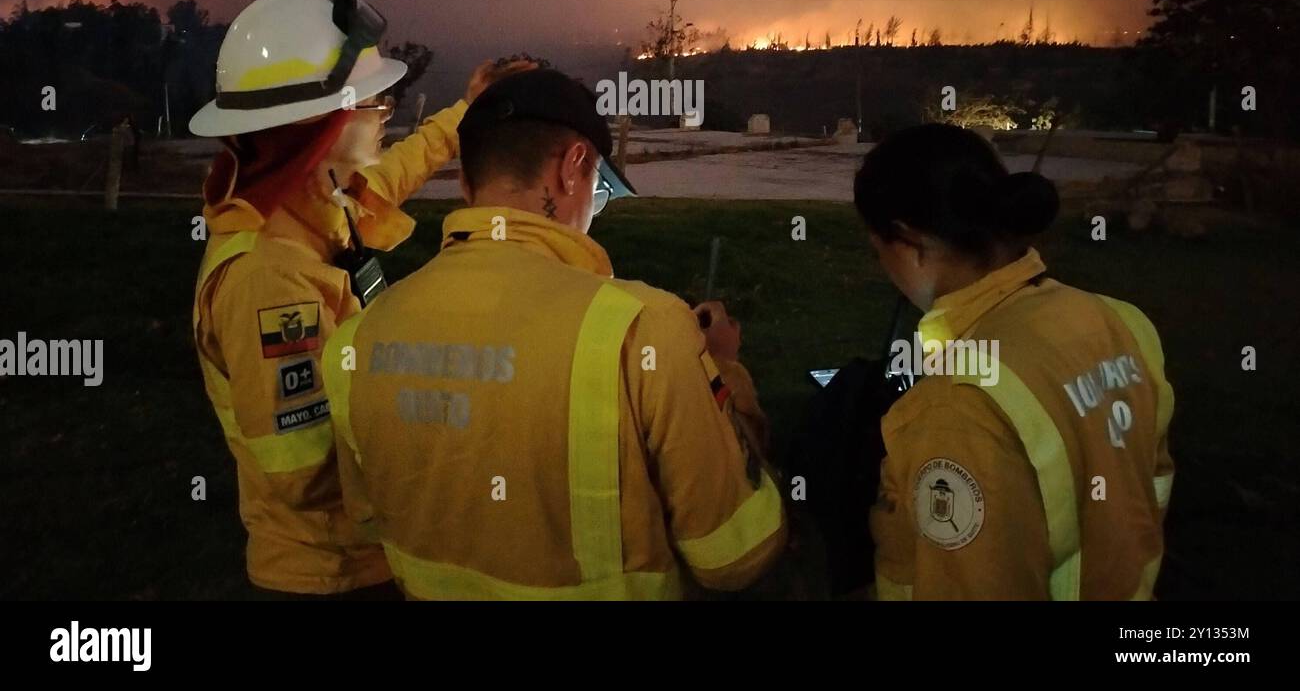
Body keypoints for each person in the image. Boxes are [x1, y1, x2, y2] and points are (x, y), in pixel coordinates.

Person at [322, 68, 787, 599]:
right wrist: (725, 372)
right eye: (598, 185)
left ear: (468, 186)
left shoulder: (356, 340)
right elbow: (735, 554)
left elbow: (365, 517)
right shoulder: (645, 331)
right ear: (572, 169)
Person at [188, 0, 531, 597]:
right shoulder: (268, 278)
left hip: (367, 552)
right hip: (329, 575)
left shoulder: (313, 201)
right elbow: (305, 471)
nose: (387, 113)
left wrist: (468, 110)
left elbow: (394, 173)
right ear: (317, 125)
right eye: (374, 101)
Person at [854, 123, 1175, 600]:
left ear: (908, 242)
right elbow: (1152, 479)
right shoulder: (1120, 321)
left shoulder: (958, 410)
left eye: (877, 250)